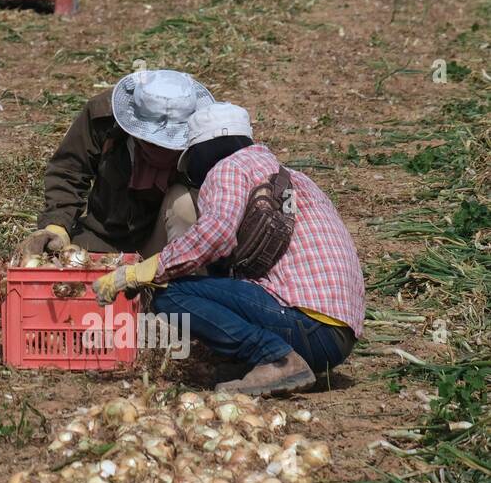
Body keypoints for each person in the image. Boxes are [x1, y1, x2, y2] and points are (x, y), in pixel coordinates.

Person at [92, 102, 364, 396]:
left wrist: (144, 271)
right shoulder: (294, 178)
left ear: (199, 152)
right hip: (337, 338)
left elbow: (216, 235)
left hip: (306, 325)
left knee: (170, 294)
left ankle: (275, 356)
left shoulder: (229, 168)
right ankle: (273, 357)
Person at [17, 69, 213, 262]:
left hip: (170, 239)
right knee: (61, 261)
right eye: (152, 142)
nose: (160, 149)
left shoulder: (209, 138)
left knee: (183, 201)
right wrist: (57, 226)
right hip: (105, 237)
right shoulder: (103, 118)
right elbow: (69, 170)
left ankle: (177, 278)